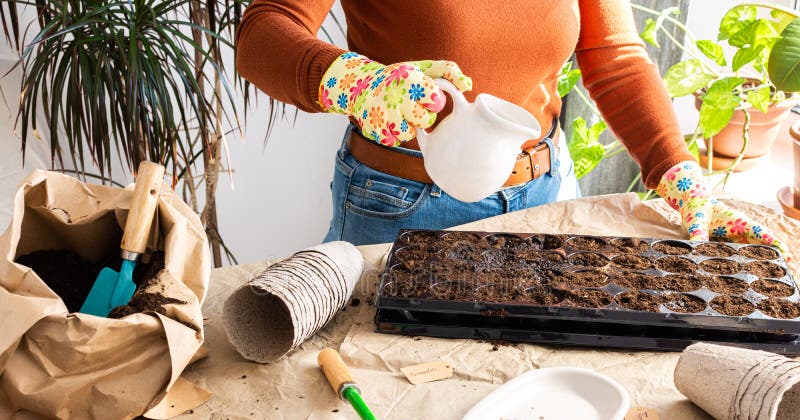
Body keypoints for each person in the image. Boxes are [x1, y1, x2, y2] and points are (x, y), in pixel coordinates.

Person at [236, 0, 787, 254]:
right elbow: (263, 32)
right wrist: (360, 82)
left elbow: (613, 54)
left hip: (548, 194)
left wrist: (677, 168)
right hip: (402, 207)